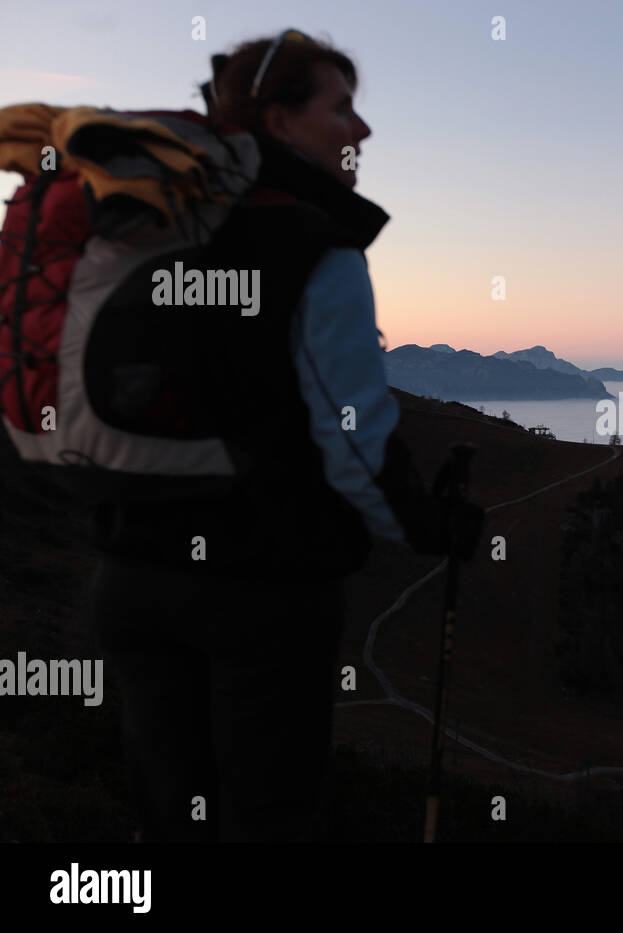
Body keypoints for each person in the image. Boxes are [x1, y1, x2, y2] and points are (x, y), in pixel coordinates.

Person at [84, 29, 477, 842]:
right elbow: (352, 434)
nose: (361, 131)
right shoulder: (314, 247)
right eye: (342, 108)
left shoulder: (137, 231)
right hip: (261, 597)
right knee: (270, 818)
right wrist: (433, 527)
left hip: (129, 582)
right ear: (280, 119)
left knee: (170, 817)